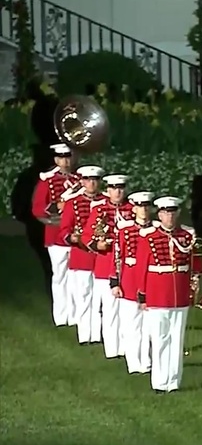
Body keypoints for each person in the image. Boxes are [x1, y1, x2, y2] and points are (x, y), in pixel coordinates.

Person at [135, 196, 201, 394]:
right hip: (157, 294)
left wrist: (196, 283)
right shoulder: (149, 236)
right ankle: (159, 381)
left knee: (177, 338)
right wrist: (143, 295)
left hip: (179, 294)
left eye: (173, 212)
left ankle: (173, 381)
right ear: (159, 215)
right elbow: (141, 268)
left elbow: (195, 262)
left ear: (178, 213)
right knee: (160, 338)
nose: (169, 216)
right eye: (165, 213)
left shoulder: (187, 235)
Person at [81, 173, 135, 359]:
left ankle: (126, 347)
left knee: (126, 311)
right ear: (108, 190)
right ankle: (112, 349)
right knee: (110, 310)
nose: (118, 192)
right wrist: (98, 245)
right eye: (114, 188)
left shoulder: (133, 208)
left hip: (128, 268)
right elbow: (87, 236)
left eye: (121, 188)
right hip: (106, 264)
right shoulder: (99, 210)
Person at [31, 143, 79, 327]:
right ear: (56, 160)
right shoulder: (47, 181)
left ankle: (74, 315)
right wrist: (51, 221)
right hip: (56, 235)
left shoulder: (77, 180)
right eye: (62, 158)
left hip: (75, 235)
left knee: (75, 276)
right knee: (59, 275)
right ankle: (61, 315)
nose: (66, 161)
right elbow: (37, 208)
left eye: (68, 157)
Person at [59, 165, 106, 345]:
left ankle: (97, 334)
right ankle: (85, 334)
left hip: (102, 256)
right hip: (82, 255)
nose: (91, 183)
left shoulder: (105, 201)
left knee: (99, 298)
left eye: (95, 180)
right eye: (87, 180)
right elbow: (64, 229)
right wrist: (71, 237)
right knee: (84, 295)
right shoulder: (74, 203)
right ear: (82, 182)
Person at [112, 191, 155, 374]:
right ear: (134, 208)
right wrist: (115, 282)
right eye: (140, 206)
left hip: (150, 281)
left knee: (148, 326)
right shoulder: (125, 230)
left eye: (146, 206)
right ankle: (133, 362)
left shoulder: (156, 229)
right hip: (129, 279)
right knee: (131, 324)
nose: (143, 210)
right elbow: (117, 255)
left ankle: (147, 361)